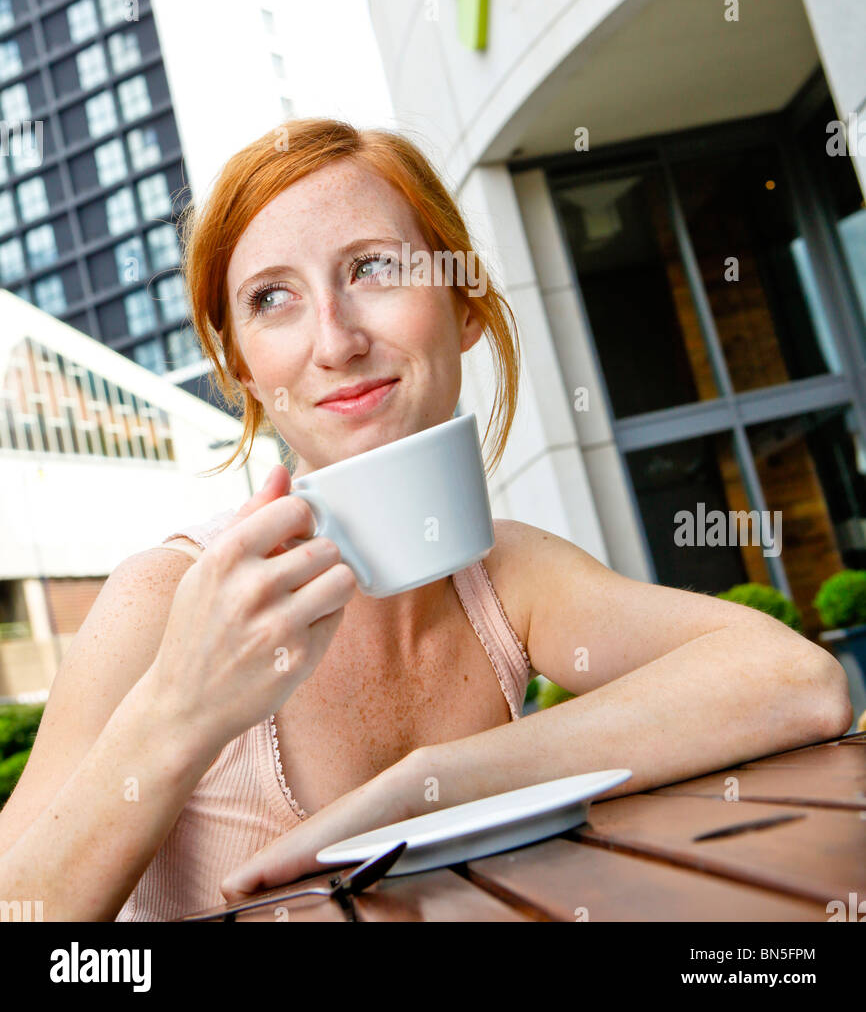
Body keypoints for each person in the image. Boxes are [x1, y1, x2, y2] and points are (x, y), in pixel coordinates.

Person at [0, 118, 852, 922]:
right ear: (243, 372)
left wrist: (429, 785)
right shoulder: (164, 598)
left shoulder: (504, 575)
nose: (335, 342)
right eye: (271, 299)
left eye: (373, 268)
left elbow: (797, 682)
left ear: (467, 305)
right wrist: (181, 705)